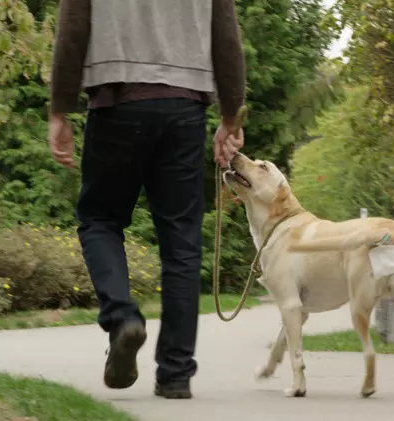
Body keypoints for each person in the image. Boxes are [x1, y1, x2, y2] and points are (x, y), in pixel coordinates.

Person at [47, 0, 246, 399]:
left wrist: (59, 109)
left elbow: (72, 29)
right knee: (182, 243)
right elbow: (226, 34)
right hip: (185, 106)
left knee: (100, 220)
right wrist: (230, 115)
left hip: (117, 101)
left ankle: (123, 318)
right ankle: (175, 374)